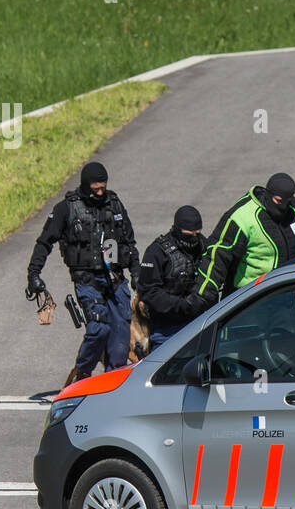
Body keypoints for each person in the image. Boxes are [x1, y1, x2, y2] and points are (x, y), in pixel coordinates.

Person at [26, 161, 139, 387]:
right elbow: (44, 242)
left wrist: (136, 272)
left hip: (115, 280)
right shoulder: (66, 208)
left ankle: (112, 386)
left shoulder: (114, 204)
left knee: (119, 337)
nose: (100, 193)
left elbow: (128, 242)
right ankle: (83, 375)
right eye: (95, 189)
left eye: (103, 188)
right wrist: (34, 273)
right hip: (87, 281)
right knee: (99, 328)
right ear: (86, 186)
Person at [191, 172, 295, 310]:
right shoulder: (241, 216)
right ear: (268, 194)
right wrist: (202, 297)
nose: (283, 206)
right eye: (278, 201)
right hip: (248, 299)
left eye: (288, 201)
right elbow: (217, 255)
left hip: (285, 298)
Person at [137, 206, 205, 350]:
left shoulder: (203, 245)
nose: (193, 238)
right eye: (189, 234)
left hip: (199, 323)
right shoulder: (157, 251)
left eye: (197, 234)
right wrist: (182, 305)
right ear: (177, 229)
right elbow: (148, 291)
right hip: (166, 329)